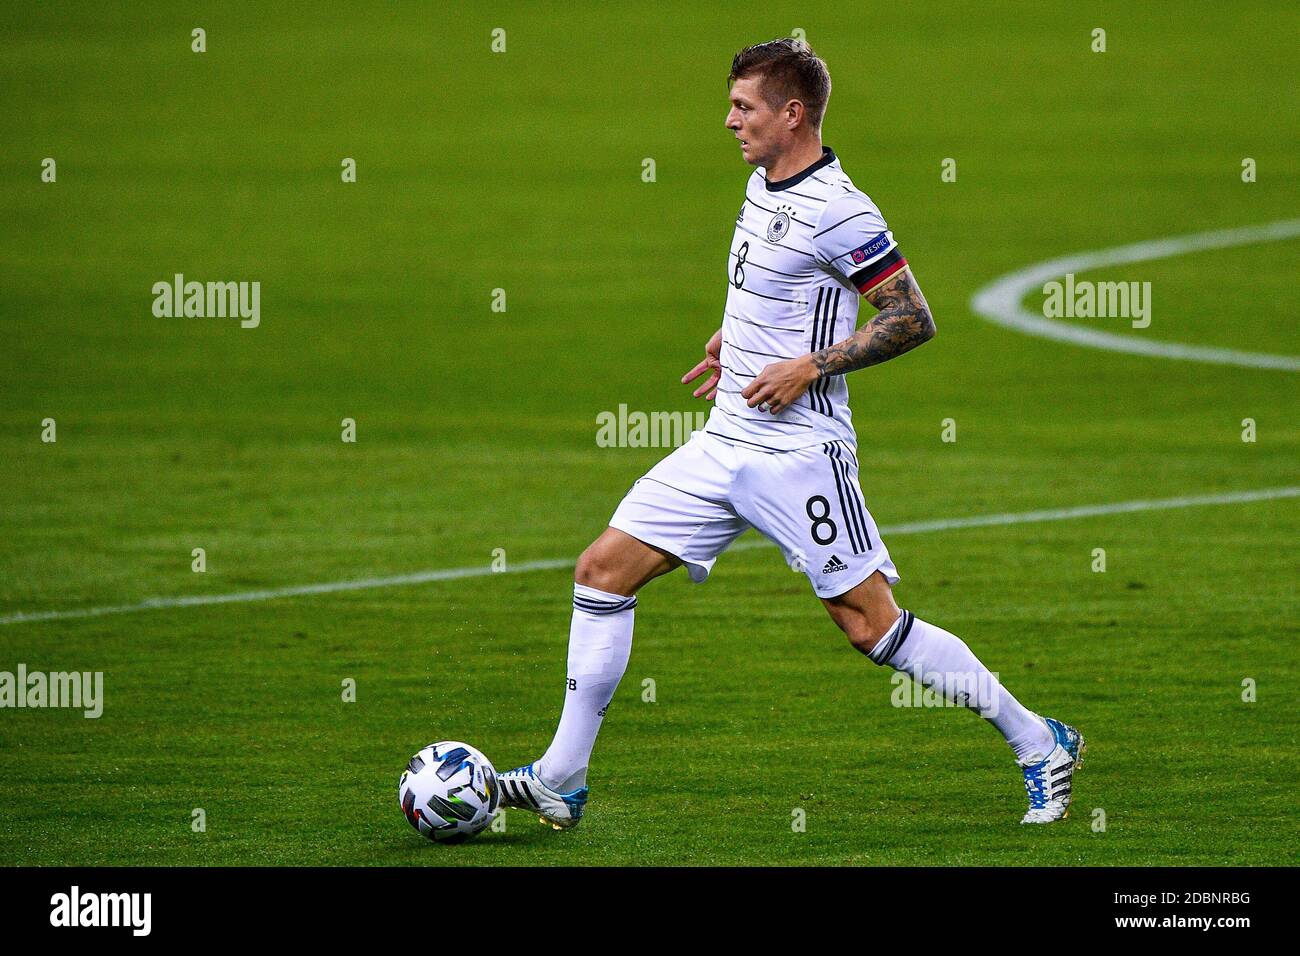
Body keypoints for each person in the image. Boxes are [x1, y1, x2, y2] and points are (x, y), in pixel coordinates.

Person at [497, 38, 1084, 830]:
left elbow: (913, 316)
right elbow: (778, 288)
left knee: (868, 625)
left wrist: (810, 365)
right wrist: (731, 339)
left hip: (800, 452)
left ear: (792, 113)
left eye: (744, 107)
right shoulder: (761, 181)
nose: (730, 120)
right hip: (725, 436)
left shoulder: (842, 209)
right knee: (602, 571)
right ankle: (560, 779)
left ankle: (1040, 741)